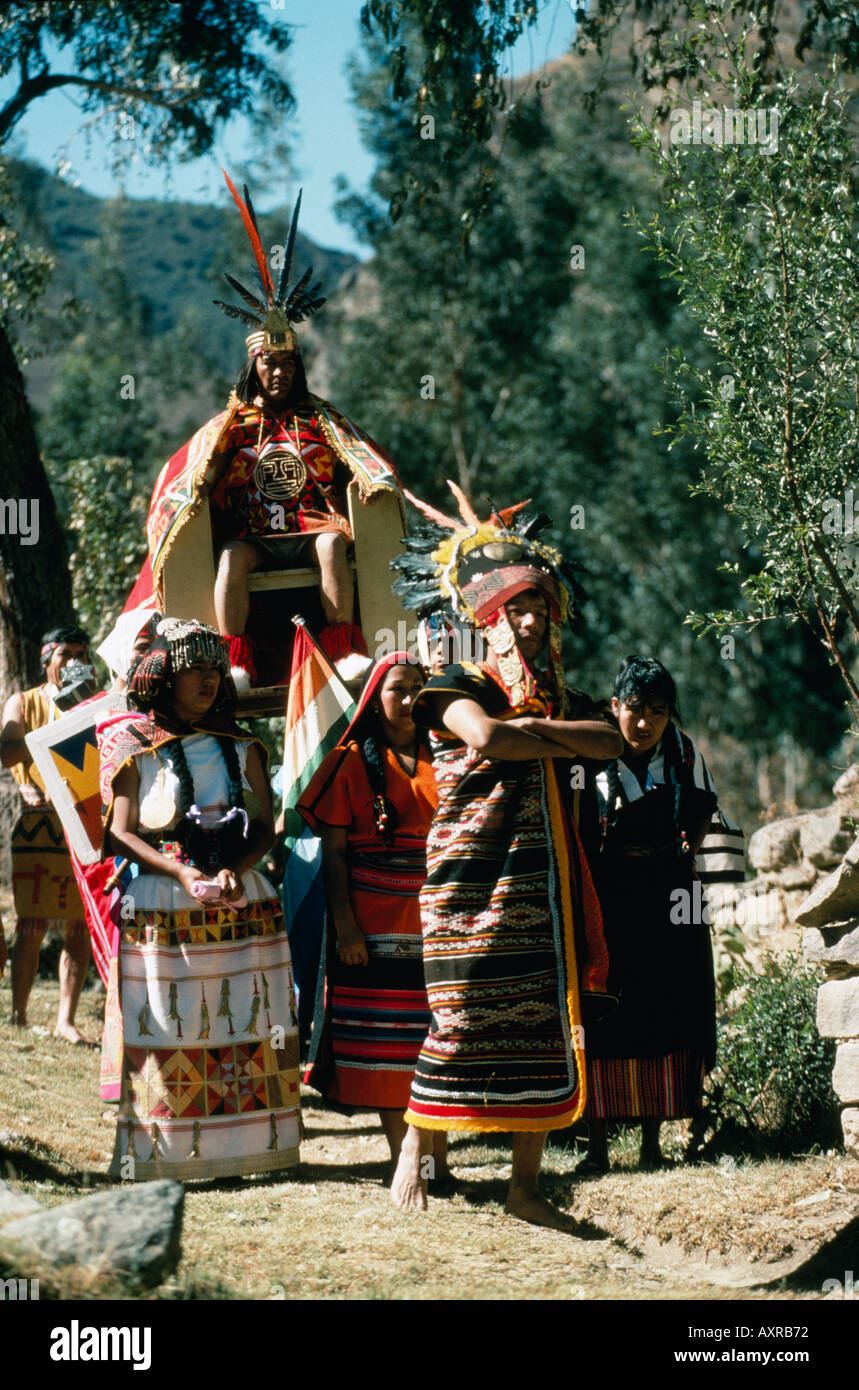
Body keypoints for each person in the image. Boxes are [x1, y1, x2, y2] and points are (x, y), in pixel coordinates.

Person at [388, 489, 622, 1228]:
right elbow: (483, 738)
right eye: (515, 609)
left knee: (544, 1020)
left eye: (539, 608)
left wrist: (537, 729)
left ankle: (524, 1189)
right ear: (486, 618)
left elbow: (613, 740)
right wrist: (554, 734)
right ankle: (415, 1153)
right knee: (459, 1012)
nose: (529, 621)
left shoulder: (558, 693)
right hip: (468, 873)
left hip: (544, 883)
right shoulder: (453, 683)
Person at [134, 175, 405, 689]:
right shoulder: (232, 424)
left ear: (298, 366)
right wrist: (199, 487)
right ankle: (235, 662)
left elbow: (365, 460)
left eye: (286, 363)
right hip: (254, 534)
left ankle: (344, 648)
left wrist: (373, 482)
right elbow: (197, 474)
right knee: (233, 557)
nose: (277, 373)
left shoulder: (320, 417)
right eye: (268, 364)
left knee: (330, 547)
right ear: (252, 367)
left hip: (309, 528)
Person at [99, 617, 300, 1180]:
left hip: (242, 904)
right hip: (162, 902)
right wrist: (181, 874)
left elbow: (265, 824)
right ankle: (161, 1156)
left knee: (245, 1022)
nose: (208, 681)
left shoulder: (243, 744)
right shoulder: (133, 745)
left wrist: (236, 869)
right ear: (165, 676)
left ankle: (247, 1150)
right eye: (194, 671)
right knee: (168, 1022)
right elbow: (121, 831)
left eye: (215, 669)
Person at [298, 652, 449, 1178]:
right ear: (375, 697)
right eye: (397, 690)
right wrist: (346, 928)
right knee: (387, 1040)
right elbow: (335, 854)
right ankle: (405, 1158)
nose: (408, 701)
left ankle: (438, 1163)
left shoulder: (449, 756)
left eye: (417, 690)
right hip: (373, 921)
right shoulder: (349, 763)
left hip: (439, 917)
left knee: (439, 1034)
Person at [578, 656, 721, 1174]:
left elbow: (705, 813)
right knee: (604, 1010)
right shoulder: (589, 756)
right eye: (633, 709)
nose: (642, 723)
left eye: (656, 712)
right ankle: (595, 1147)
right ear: (614, 706)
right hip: (606, 899)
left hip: (669, 900)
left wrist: (682, 866)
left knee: (665, 1008)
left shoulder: (684, 755)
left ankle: (652, 1145)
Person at [1, 624, 94, 1043]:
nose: (75, 662)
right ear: (47, 660)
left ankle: (66, 1020)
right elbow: (8, 749)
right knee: (32, 923)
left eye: (81, 654)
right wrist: (57, 729)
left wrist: (85, 712)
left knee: (80, 927)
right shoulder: (22, 701)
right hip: (39, 822)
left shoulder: (96, 704)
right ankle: (18, 1014)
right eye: (66, 655)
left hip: (85, 819)